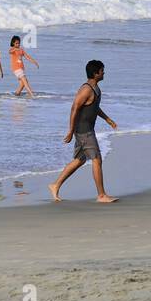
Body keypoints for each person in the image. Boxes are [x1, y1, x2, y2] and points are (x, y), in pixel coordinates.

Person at [49, 60, 118, 203]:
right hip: (83, 131)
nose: (104, 72)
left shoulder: (96, 89)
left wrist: (107, 119)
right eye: (102, 70)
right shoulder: (86, 89)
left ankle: (55, 185)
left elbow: (94, 107)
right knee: (97, 159)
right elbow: (74, 108)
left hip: (86, 130)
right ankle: (101, 195)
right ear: (95, 73)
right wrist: (70, 130)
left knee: (79, 160)